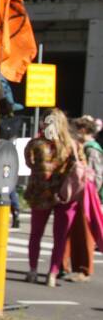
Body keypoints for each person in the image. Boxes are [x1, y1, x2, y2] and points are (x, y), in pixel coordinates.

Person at [23, 108, 84, 287]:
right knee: (60, 238)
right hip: (65, 197)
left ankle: (33, 270)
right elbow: (82, 169)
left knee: (36, 235)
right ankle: (52, 273)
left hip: (40, 194)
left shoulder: (36, 144)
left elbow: (29, 163)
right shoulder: (73, 145)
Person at [63, 116, 102, 282]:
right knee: (73, 232)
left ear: (84, 131)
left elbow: (97, 176)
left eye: (76, 130)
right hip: (80, 195)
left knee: (85, 234)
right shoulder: (83, 147)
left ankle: (84, 269)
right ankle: (69, 266)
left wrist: (92, 195)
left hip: (86, 196)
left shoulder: (91, 149)